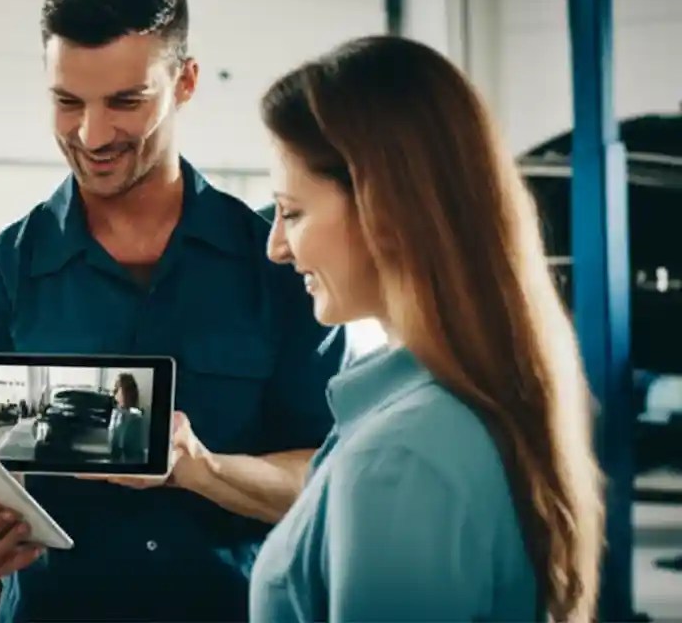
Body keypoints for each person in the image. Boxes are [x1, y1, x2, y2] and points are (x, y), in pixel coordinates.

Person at [0, 0, 349, 622]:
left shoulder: (279, 264)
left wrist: (200, 468)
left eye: (126, 101)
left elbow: (330, 482)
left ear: (184, 83)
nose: (92, 135)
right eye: (67, 102)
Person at [247, 35, 605, 622]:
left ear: (382, 207)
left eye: (292, 212)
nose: (276, 247)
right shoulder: (456, 410)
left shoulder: (400, 460)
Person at [108, 373, 147, 462]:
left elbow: (124, 447)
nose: (114, 392)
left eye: (118, 388)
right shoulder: (116, 412)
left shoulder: (136, 418)